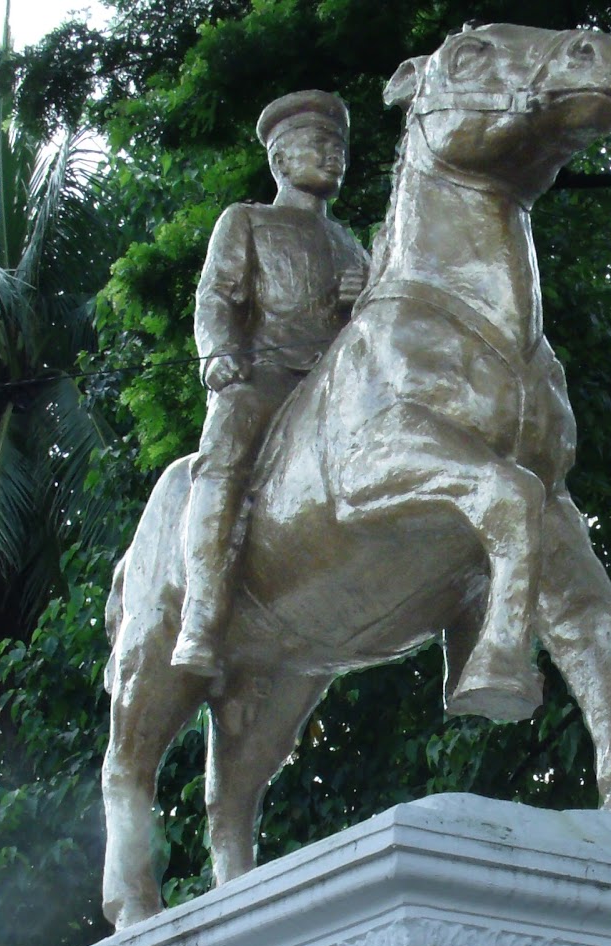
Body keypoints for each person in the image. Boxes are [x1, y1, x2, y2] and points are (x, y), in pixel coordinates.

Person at [172, 90, 370, 676]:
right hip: (267, 377)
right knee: (224, 453)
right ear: (280, 160)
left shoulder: (353, 244)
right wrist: (219, 355)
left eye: (339, 148)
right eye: (318, 146)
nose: (334, 157)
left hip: (338, 387)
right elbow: (216, 296)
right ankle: (203, 615)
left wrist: (364, 302)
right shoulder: (247, 221)